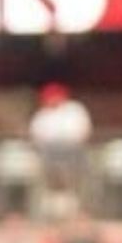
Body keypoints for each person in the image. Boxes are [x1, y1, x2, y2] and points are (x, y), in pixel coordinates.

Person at [27, 83, 91, 219]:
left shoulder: (74, 110)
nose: (53, 100)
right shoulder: (42, 115)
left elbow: (84, 133)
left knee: (77, 171)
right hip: (49, 156)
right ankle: (50, 211)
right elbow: (36, 139)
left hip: (73, 153)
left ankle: (82, 211)